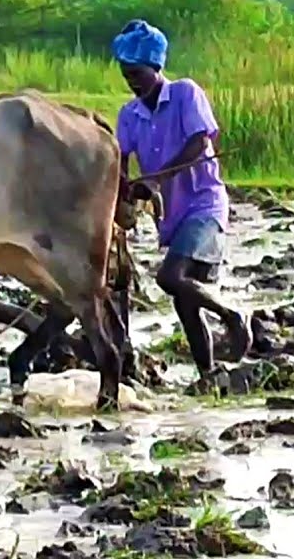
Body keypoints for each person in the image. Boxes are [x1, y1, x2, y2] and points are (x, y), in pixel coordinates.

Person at [111, 19, 252, 386]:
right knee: (185, 302)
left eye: (137, 73)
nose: (132, 81)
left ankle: (232, 316)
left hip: (203, 204)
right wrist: (125, 191)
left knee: (170, 277)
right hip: (170, 215)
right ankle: (208, 376)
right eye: (126, 74)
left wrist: (157, 178)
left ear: (156, 67)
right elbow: (120, 162)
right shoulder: (129, 115)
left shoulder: (186, 94)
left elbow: (198, 143)